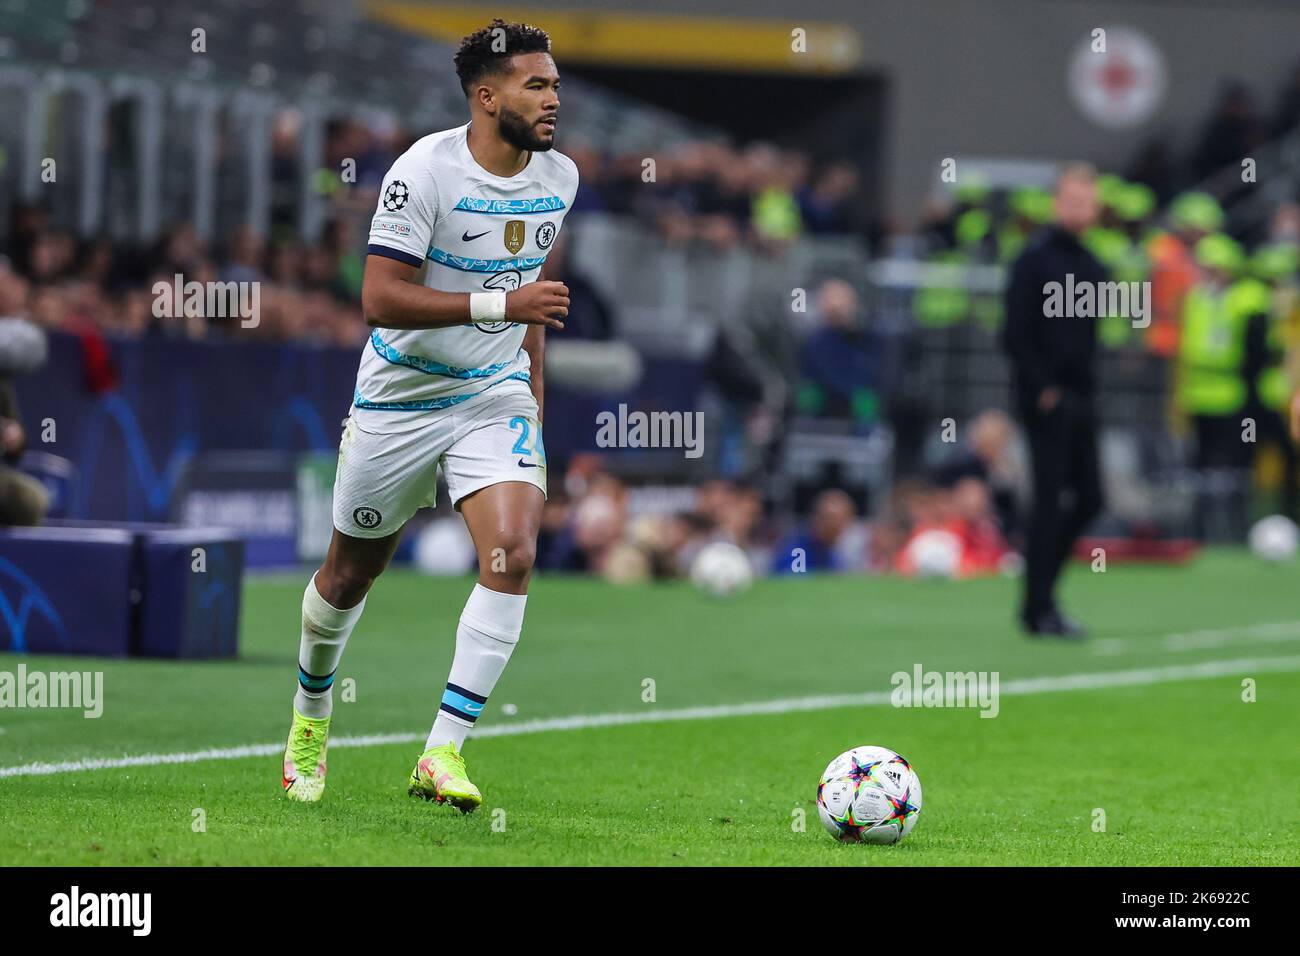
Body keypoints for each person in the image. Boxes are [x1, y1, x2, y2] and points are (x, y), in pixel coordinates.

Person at [280, 19, 577, 810]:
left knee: (513, 552)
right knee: (350, 575)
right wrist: (502, 305)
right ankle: (311, 713)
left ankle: (442, 752)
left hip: (492, 393)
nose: (553, 100)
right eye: (535, 86)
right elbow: (380, 299)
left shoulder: (560, 178)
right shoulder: (422, 173)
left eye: (554, 85)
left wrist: (532, 399)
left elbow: (532, 302)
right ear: (486, 97)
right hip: (401, 396)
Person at [1000, 163, 1106, 639]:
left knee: (1091, 498)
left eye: (1089, 201)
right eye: (1073, 200)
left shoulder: (1092, 263)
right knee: (1048, 502)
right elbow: (1015, 332)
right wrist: (1041, 387)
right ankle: (1038, 607)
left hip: (1081, 396)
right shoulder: (1034, 260)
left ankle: (1041, 593)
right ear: (1056, 203)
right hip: (1047, 399)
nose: (1081, 209)